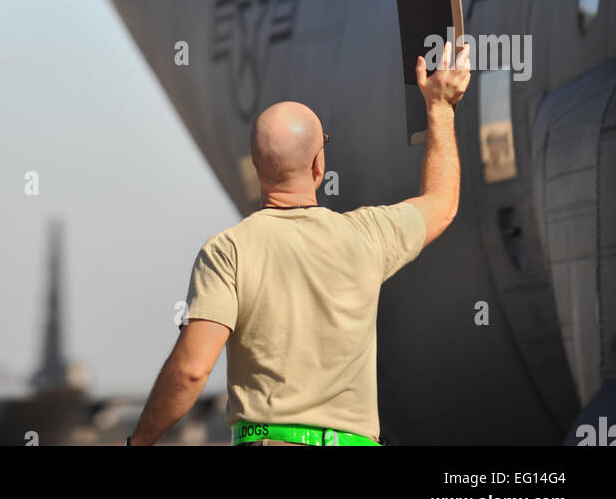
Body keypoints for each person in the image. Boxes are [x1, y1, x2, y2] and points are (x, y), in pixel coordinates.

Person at [125, 40, 471, 446]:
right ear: (318, 165)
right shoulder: (368, 236)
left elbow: (191, 371)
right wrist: (441, 110)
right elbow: (442, 204)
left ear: (256, 166)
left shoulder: (229, 252)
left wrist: (138, 442)